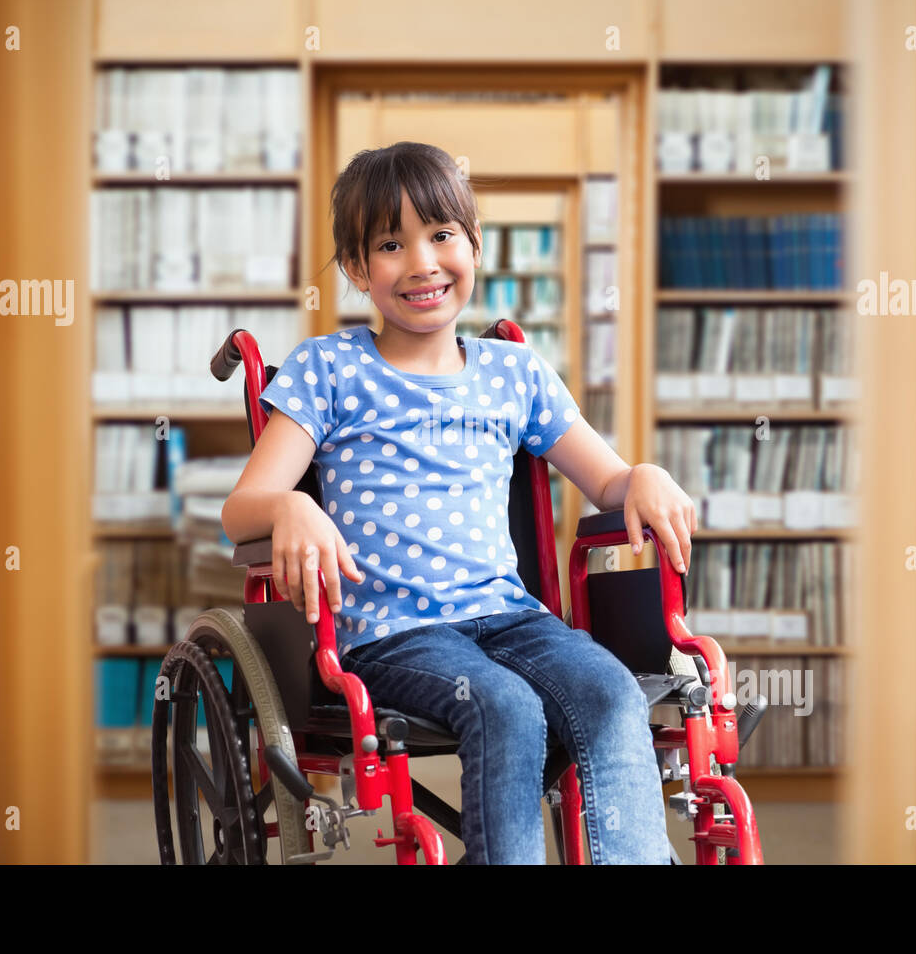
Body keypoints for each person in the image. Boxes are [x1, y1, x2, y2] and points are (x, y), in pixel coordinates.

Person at [221, 141, 698, 864]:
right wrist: (291, 508)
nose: (422, 262)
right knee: (504, 706)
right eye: (391, 243)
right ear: (357, 268)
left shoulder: (514, 373)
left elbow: (607, 482)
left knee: (609, 692)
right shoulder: (331, 368)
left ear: (474, 245)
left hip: (510, 616)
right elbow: (244, 505)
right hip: (394, 630)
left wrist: (646, 475)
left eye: (442, 235)